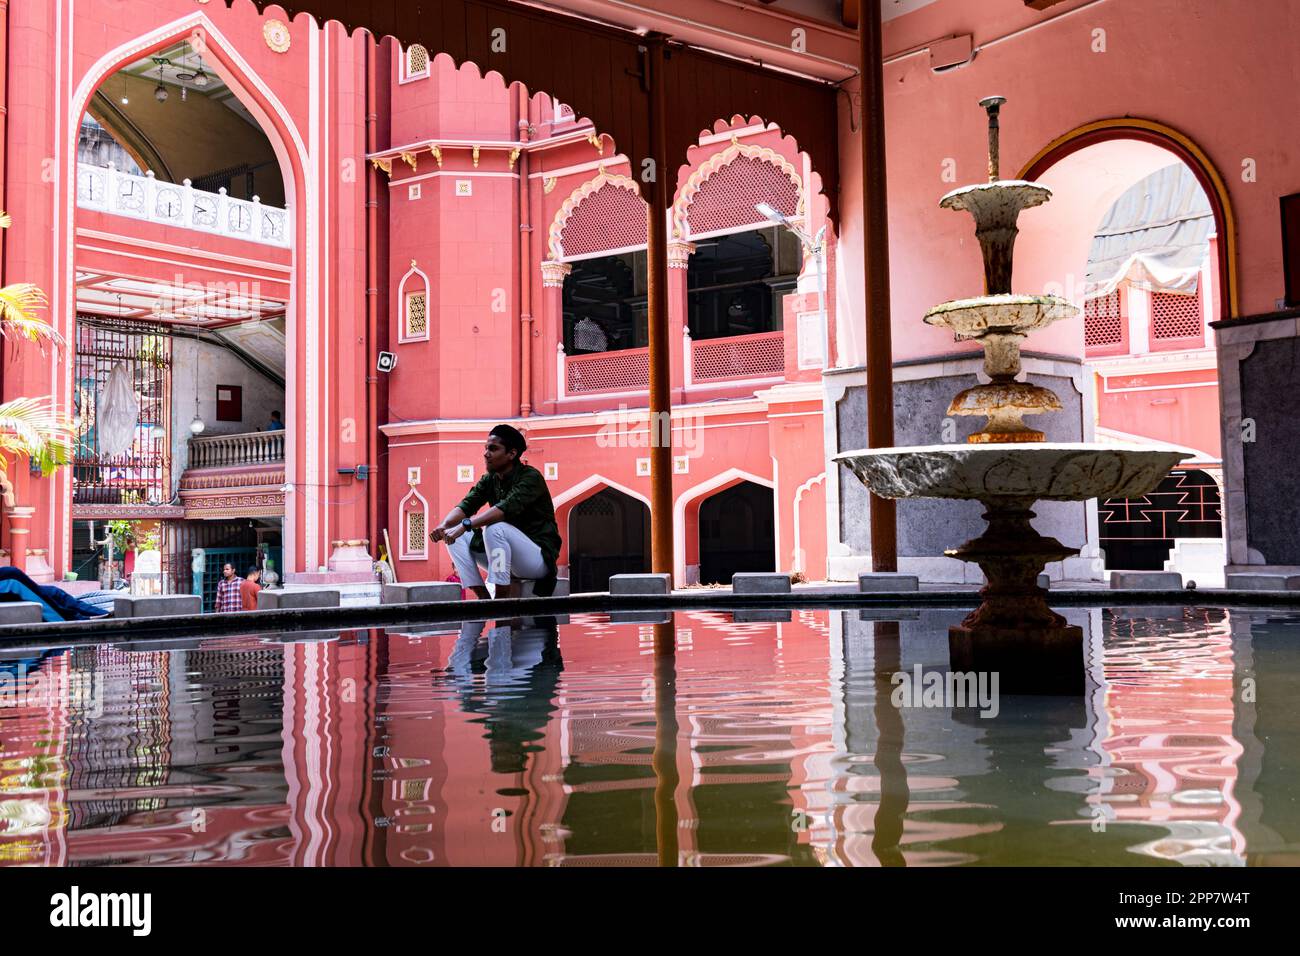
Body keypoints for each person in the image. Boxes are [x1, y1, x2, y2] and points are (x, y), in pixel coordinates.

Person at [430, 424, 561, 598]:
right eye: (486, 448)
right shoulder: (490, 479)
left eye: (493, 449)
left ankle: (501, 598)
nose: (486, 454)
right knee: (455, 535)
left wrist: (465, 524)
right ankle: (483, 596)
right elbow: (467, 505)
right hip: (504, 557)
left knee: (494, 527)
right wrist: (445, 525)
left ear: (512, 454)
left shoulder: (530, 477)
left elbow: (503, 509)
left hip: (537, 560)